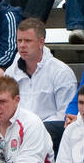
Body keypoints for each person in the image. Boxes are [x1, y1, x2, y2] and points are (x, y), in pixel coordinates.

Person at [4, 18, 77, 153]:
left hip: (49, 135)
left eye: (28, 41)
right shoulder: (10, 73)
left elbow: (65, 115)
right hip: (17, 133)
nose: (22, 45)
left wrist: (34, 129)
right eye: (19, 41)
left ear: (41, 42)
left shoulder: (62, 72)